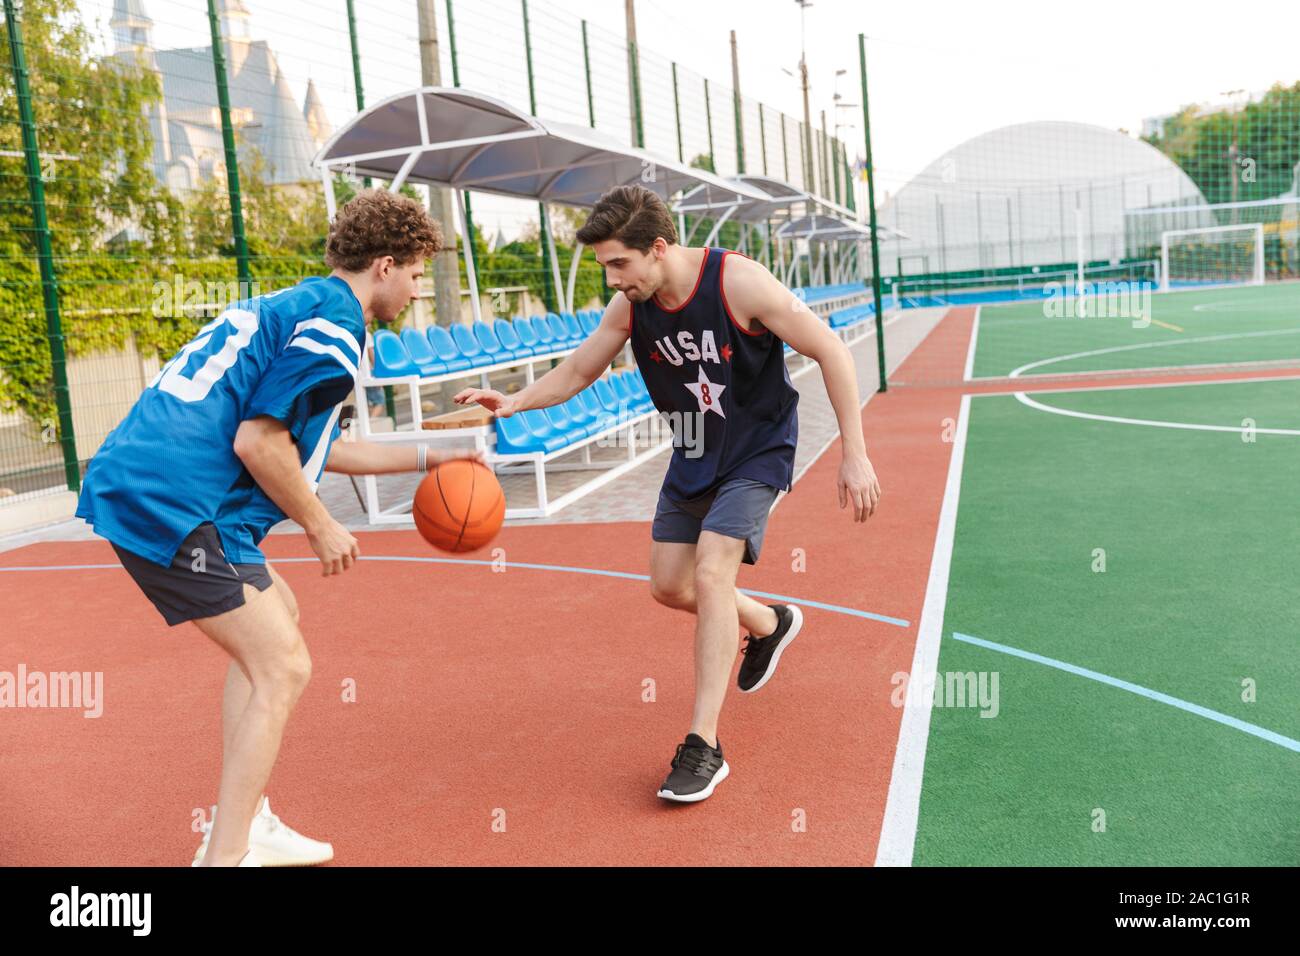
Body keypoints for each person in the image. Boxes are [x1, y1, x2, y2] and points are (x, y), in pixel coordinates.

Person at [76, 189, 483, 864]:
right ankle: (225, 854)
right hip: (171, 497)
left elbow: (311, 448)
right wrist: (321, 525)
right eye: (415, 274)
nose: (418, 290)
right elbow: (260, 444)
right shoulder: (335, 328)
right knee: (283, 665)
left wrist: (434, 453)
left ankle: (248, 821)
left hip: (168, 484)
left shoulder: (301, 306)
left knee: (280, 621)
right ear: (384, 266)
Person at [454, 184, 880, 802]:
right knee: (670, 586)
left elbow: (831, 350)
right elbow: (578, 371)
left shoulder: (739, 283)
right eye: (603, 266)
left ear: (658, 248)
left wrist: (855, 454)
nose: (611, 280)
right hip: (693, 450)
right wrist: (514, 400)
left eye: (618, 264)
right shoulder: (631, 306)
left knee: (711, 575)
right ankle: (768, 621)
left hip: (756, 449)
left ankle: (703, 745)